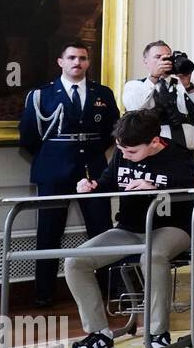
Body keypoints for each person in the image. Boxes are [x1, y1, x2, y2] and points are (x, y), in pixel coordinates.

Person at [63, 110, 194, 348]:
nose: (125, 155)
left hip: (172, 229)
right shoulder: (122, 152)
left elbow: (193, 191)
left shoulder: (179, 156)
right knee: (75, 261)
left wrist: (157, 187)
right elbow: (107, 183)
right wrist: (90, 186)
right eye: (121, 149)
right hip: (129, 229)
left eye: (132, 152)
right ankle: (99, 335)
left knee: (153, 255)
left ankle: (158, 333)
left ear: (154, 142)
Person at [18, 42, 121, 307]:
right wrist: (55, 156)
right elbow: (29, 137)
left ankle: (109, 290)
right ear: (60, 62)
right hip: (53, 170)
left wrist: (94, 152)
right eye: (72, 57)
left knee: (102, 230)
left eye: (83, 58)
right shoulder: (42, 95)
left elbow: (113, 131)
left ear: (88, 62)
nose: (78, 62)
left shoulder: (103, 93)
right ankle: (44, 294)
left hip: (94, 168)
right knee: (49, 231)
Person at [121, 41, 194, 153]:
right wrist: (154, 77)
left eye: (168, 57)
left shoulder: (186, 84)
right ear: (145, 61)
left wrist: (188, 86)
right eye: (158, 57)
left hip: (187, 154)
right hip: (154, 155)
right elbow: (135, 108)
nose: (164, 61)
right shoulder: (136, 86)